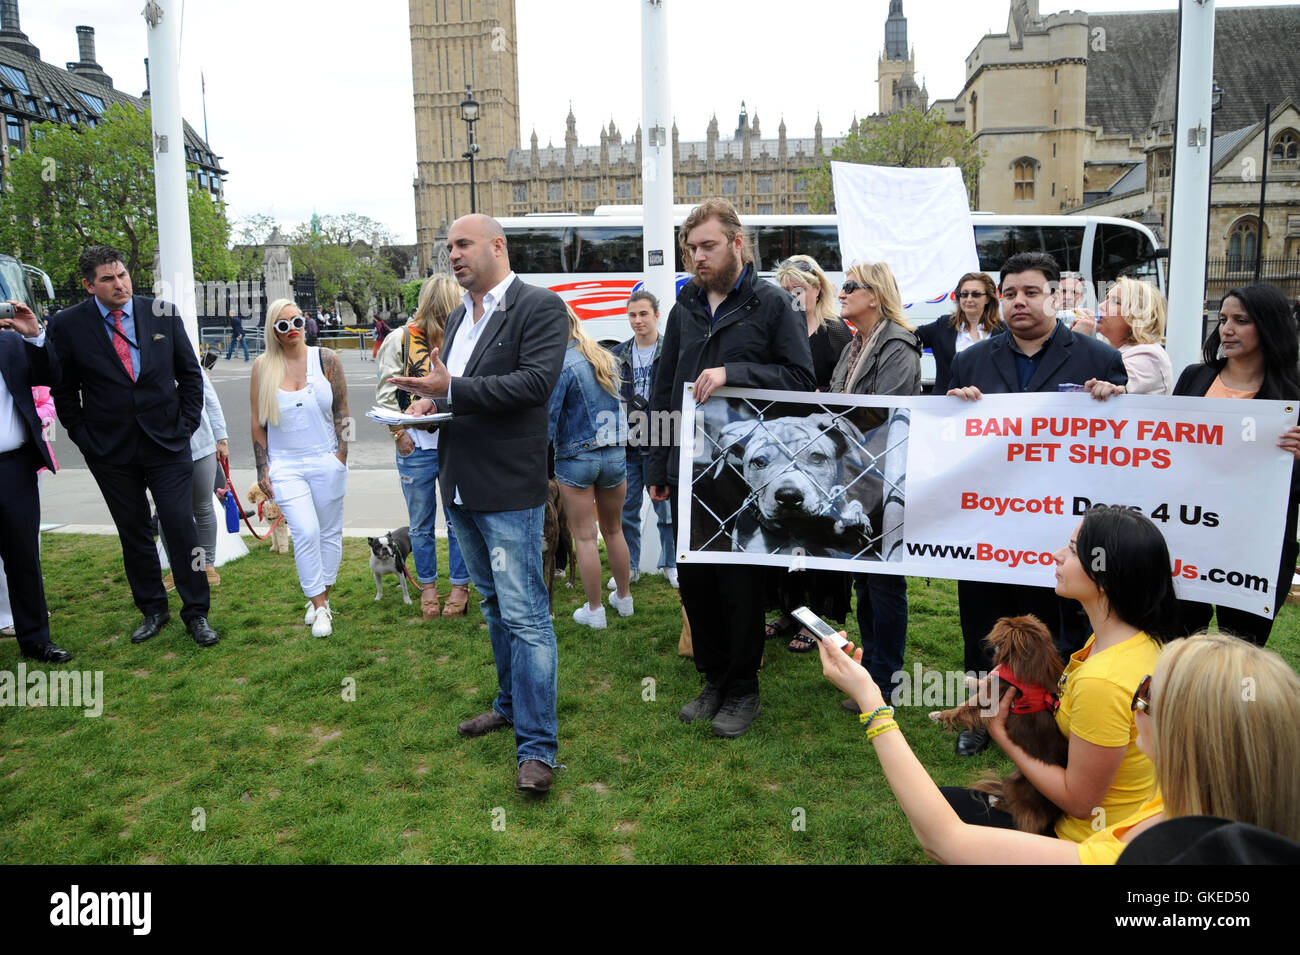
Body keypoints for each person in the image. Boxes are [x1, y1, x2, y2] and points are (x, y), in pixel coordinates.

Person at [817, 625, 1300, 864]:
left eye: (1148, 692)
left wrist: (871, 700)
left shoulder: (1139, 854)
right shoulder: (1187, 801)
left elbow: (946, 839)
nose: (1136, 700)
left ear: (1186, 736)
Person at [388, 213, 568, 793]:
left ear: (497, 246)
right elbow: (465, 395)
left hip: (509, 488)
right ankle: (508, 705)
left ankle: (538, 750)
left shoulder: (539, 306)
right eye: (449, 248)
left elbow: (533, 386)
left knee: (527, 616)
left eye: (463, 245)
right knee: (492, 606)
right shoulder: (462, 315)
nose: (455, 256)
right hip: (459, 483)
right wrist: (427, 408)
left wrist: (451, 391)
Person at [946, 250, 1127, 753]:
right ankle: (983, 717)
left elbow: (1127, 448)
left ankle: (1047, 716)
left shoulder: (1099, 359)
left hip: (1061, 530)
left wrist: (1116, 401)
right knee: (983, 623)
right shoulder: (971, 361)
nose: (1019, 302)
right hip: (989, 525)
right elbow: (943, 441)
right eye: (1009, 293)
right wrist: (954, 410)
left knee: (1056, 626)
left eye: (1031, 291)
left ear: (1054, 295)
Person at [648, 198, 816, 739]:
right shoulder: (684, 308)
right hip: (689, 470)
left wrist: (733, 372)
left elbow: (800, 380)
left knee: (740, 585)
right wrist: (658, 461)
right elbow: (663, 389)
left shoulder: (772, 304)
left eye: (708, 246)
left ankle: (744, 688)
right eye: (691, 248)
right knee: (695, 583)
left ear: (737, 244)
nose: (697, 257)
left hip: (746, 475)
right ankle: (714, 677)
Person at [945, 507, 1174, 841]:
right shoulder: (1128, 641)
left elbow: (1080, 802)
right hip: (1115, 826)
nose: (1057, 555)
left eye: (1071, 549)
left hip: (1084, 840)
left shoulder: (1103, 681)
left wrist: (1000, 732)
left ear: (1105, 575)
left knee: (937, 817)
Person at [48, 245, 219, 648]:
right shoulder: (68, 325)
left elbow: (190, 376)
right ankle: (152, 609)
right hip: (110, 450)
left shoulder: (162, 312)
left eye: (122, 275)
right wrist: (85, 439)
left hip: (167, 443)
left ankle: (196, 612)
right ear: (90, 285)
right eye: (107, 279)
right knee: (135, 531)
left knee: (180, 525)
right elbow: (64, 390)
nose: (119, 283)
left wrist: (185, 426)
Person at [815, 261, 921, 704]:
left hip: (884, 478)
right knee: (863, 578)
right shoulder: (855, 344)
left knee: (885, 581)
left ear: (875, 295)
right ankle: (873, 671)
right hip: (855, 477)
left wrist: (833, 413)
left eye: (850, 286)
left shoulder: (898, 344)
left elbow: (884, 412)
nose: (841, 292)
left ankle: (886, 681)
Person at [1174, 283, 1300, 645]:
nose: (1226, 329)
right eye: (1223, 318)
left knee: (1243, 649)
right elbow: (1164, 450)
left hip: (1256, 549)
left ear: (1269, 326)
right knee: (1178, 642)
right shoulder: (1194, 378)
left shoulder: (1292, 393)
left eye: (1240, 320)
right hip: (1188, 537)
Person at [765, 255, 853, 646]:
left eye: (797, 289)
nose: (792, 297)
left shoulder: (836, 333)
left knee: (818, 531)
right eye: (784, 291)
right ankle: (788, 610)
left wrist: (827, 399)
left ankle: (815, 617)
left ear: (817, 287)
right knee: (786, 531)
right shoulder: (778, 332)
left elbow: (849, 390)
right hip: (783, 448)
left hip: (820, 453)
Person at [250, 299, 350, 638]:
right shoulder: (263, 367)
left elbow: (343, 410)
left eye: (297, 322)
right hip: (286, 465)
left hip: (326, 459)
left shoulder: (327, 359)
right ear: (273, 331)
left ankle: (319, 597)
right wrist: (263, 469)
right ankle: (321, 608)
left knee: (329, 534)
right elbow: (257, 423)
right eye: (283, 325)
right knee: (306, 531)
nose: (292, 330)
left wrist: (342, 456)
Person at [375, 274, 472, 619]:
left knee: (459, 518)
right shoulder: (401, 339)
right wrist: (398, 435)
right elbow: (386, 393)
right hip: (415, 447)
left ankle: (460, 587)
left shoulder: (464, 337)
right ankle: (428, 587)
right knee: (420, 524)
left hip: (456, 443)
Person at [550, 304, 632, 629]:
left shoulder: (561, 366)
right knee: (614, 530)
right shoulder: (606, 357)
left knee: (585, 537)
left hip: (576, 457)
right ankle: (624, 599)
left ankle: (595, 610)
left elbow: (549, 420)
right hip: (614, 453)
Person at [0, 300, 71, 662]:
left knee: (23, 557)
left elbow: (52, 377)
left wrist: (34, 336)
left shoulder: (11, 344)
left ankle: (35, 639)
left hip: (13, 468)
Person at [611, 291, 677, 589]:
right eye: (632, 315)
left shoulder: (670, 351)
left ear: (656, 315)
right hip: (628, 443)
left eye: (643, 314)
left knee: (666, 510)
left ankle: (671, 563)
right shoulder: (618, 354)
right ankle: (630, 567)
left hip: (660, 439)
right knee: (627, 509)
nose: (637, 320)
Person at [161, 369, 229, 590]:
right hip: (162, 449)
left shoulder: (185, 359)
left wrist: (221, 438)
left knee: (202, 507)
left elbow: (210, 399)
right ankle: (176, 568)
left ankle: (205, 565)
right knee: (166, 512)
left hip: (201, 447)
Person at [915, 271, 1002, 394]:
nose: (969, 299)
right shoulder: (943, 325)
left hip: (987, 408)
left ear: (988, 298)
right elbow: (908, 336)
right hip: (945, 406)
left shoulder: (1003, 332)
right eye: (964, 294)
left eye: (976, 294)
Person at [1093, 277, 1172, 395]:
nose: (1101, 306)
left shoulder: (1147, 356)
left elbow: (1098, 389)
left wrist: (1079, 340)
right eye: (1106, 299)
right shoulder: (1116, 349)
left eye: (1115, 302)